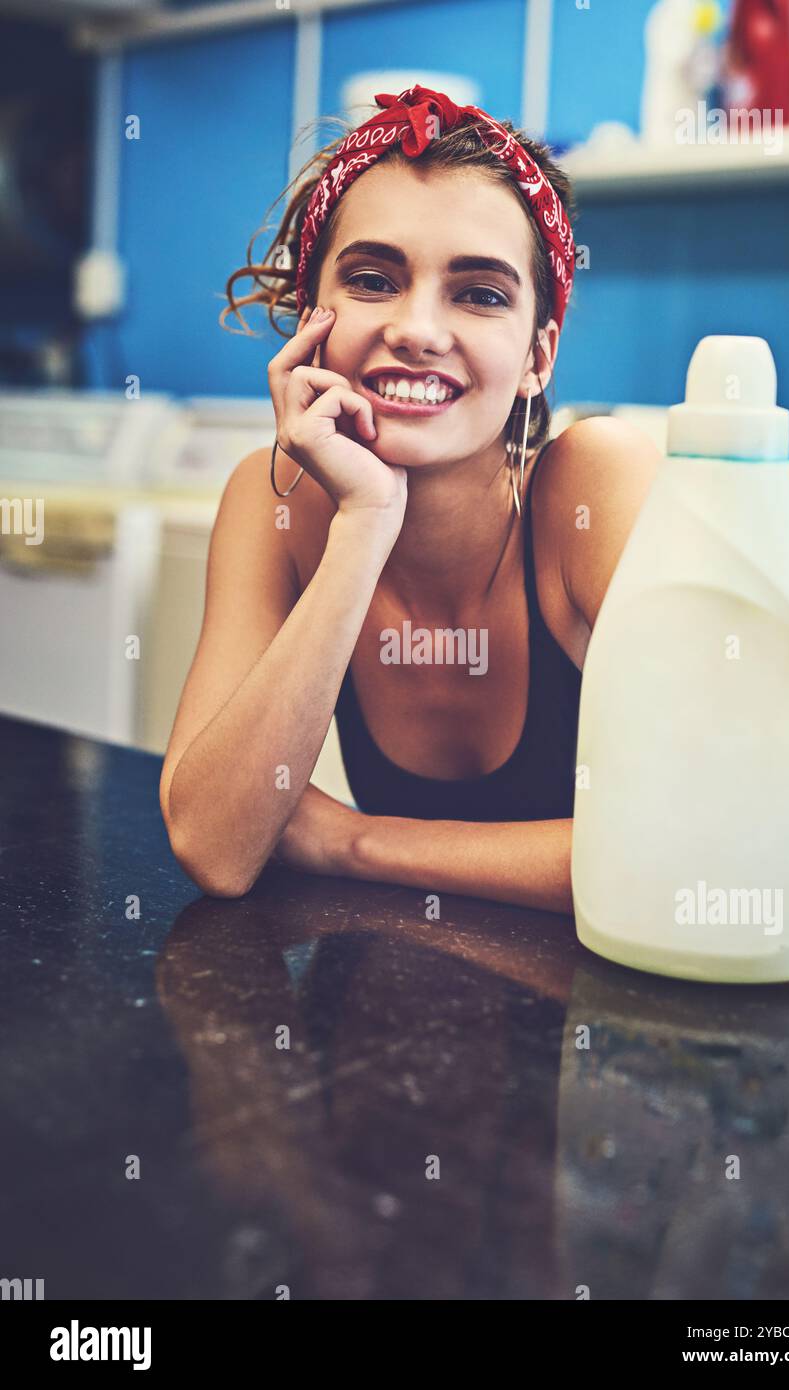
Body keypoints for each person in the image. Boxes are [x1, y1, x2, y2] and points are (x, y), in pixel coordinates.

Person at [158, 85, 662, 910]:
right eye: (371, 279)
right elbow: (216, 845)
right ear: (308, 311)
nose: (418, 330)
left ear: (539, 355)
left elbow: (680, 853)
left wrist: (346, 838)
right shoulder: (275, 499)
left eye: (480, 293)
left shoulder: (592, 482)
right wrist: (364, 523)